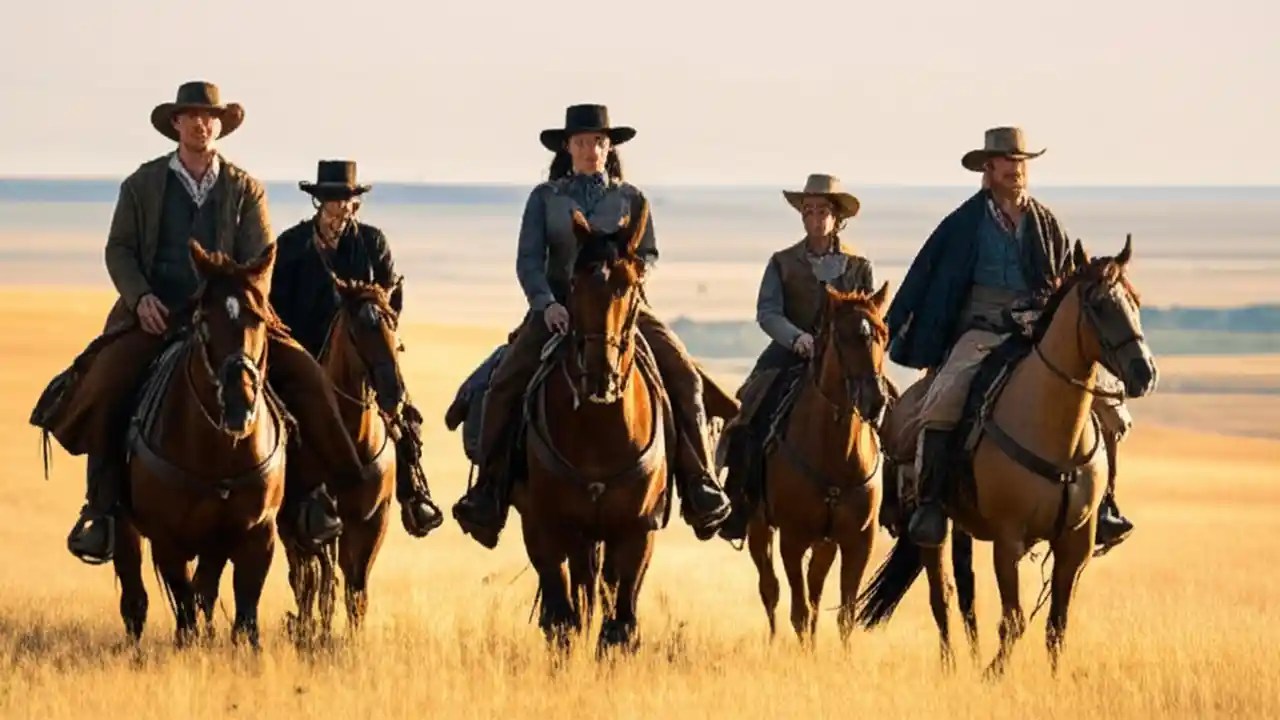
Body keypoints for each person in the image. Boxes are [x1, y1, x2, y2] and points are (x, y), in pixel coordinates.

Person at [29, 81, 367, 564]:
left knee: (307, 378)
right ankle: (102, 512)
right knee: (105, 384)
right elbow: (119, 249)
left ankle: (309, 499)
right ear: (176, 125)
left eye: (210, 118)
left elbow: (260, 258)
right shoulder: (141, 185)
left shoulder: (245, 187)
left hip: (230, 317)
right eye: (191, 117)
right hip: (156, 316)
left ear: (220, 127)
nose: (201, 125)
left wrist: (242, 307)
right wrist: (139, 296)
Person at [450, 104, 733, 549]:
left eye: (598, 142)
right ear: (568, 147)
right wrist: (546, 305)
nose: (590, 149)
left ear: (609, 147)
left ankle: (699, 484)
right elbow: (528, 261)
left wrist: (631, 283)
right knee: (505, 381)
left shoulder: (632, 198)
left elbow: (651, 254)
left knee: (683, 375)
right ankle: (489, 490)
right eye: (581, 142)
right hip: (559, 311)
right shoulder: (546, 198)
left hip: (622, 310)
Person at [884, 126, 1135, 552]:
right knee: (943, 400)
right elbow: (929, 277)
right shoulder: (962, 224)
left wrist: (1042, 314)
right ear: (989, 168)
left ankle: (1104, 504)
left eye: (1021, 163)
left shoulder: (1045, 221)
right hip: (979, 330)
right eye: (1008, 162)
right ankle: (930, 503)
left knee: (1107, 402)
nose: (1017, 170)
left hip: (1037, 331)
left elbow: (1061, 280)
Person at [269, 160, 444, 538]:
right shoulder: (291, 245)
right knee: (276, 414)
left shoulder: (372, 242)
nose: (340, 209)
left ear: (356, 205)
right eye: (333, 201)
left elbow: (389, 302)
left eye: (347, 201)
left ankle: (414, 493)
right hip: (304, 350)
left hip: (362, 350)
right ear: (318, 204)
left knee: (401, 411)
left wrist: (376, 331)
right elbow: (276, 304)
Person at [718, 174, 875, 541]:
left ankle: (898, 500)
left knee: (885, 407)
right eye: (809, 211)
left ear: (837, 217)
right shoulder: (782, 262)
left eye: (823, 210)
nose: (816, 217)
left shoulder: (858, 266)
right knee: (747, 409)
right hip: (791, 352)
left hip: (847, 358)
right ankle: (739, 499)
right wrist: (797, 339)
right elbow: (768, 312)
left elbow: (869, 314)